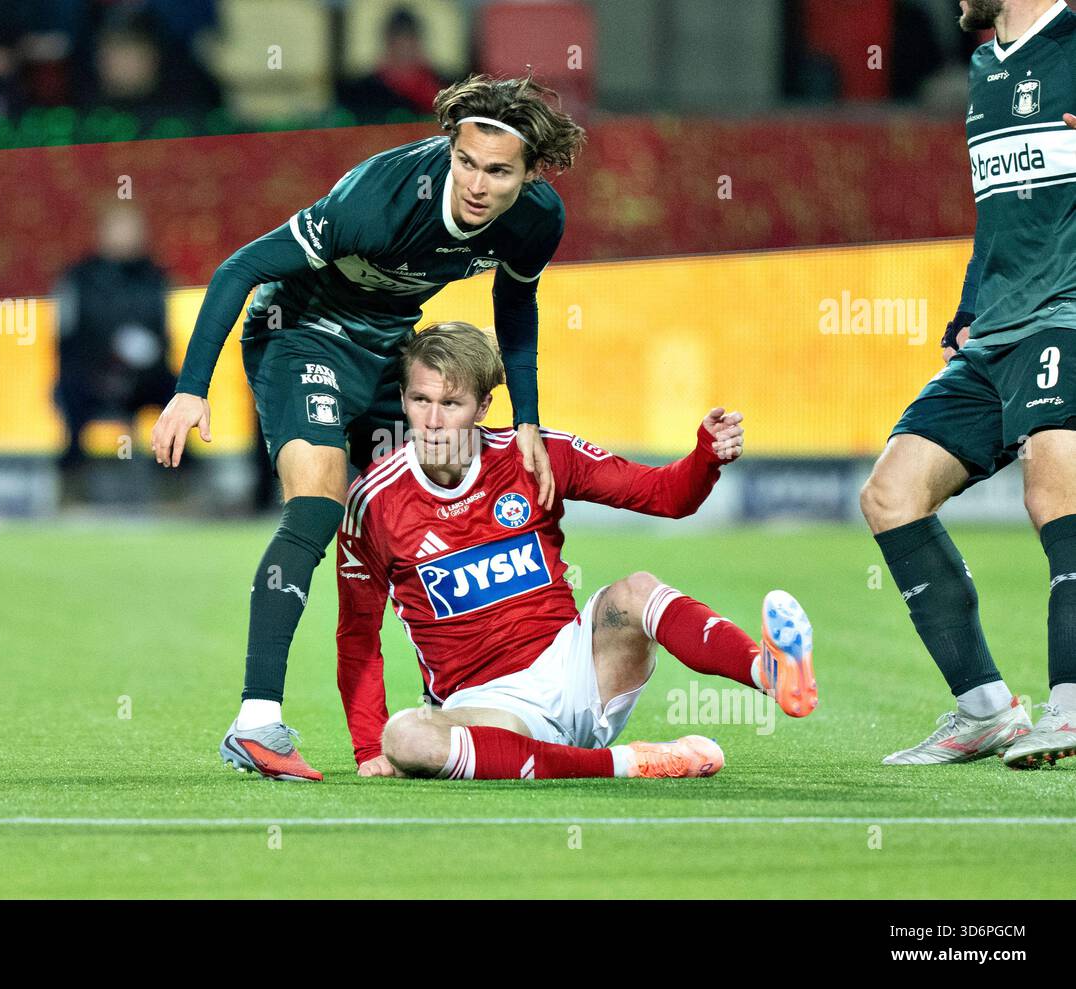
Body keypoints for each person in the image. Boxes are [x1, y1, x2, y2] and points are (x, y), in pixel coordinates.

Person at [154, 74, 586, 782]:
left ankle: (446, 707)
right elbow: (241, 266)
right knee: (320, 500)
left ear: (529, 173)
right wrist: (189, 390)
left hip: (389, 346)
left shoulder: (538, 218)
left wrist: (529, 419)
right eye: (466, 162)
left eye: (498, 172)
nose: (477, 184)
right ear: (451, 148)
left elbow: (517, 303)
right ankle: (256, 720)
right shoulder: (378, 202)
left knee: (426, 512)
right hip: (302, 333)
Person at [336, 322, 817, 781]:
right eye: (420, 400)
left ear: (483, 406)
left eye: (451, 403)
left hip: (582, 670)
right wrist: (367, 749)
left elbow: (665, 496)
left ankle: (768, 672)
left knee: (636, 593)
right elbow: (358, 635)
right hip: (491, 707)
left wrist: (705, 457)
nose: (434, 420)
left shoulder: (534, 453)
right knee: (405, 737)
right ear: (402, 399)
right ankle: (633, 763)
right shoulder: (374, 501)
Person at [862, 0, 1076, 767]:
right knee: (891, 494)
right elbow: (996, 216)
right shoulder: (986, 67)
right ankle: (985, 709)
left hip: (1068, 313)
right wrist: (965, 311)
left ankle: (1072, 705)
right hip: (995, 329)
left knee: (1056, 492)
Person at [54, 204, 175, 469]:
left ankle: (176, 470)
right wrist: (104, 362)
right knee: (70, 389)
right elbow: (66, 340)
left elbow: (164, 336)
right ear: (102, 232)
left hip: (144, 377)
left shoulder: (154, 277)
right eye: (119, 228)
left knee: (178, 391)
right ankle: (72, 470)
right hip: (90, 375)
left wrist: (142, 359)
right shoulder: (79, 278)